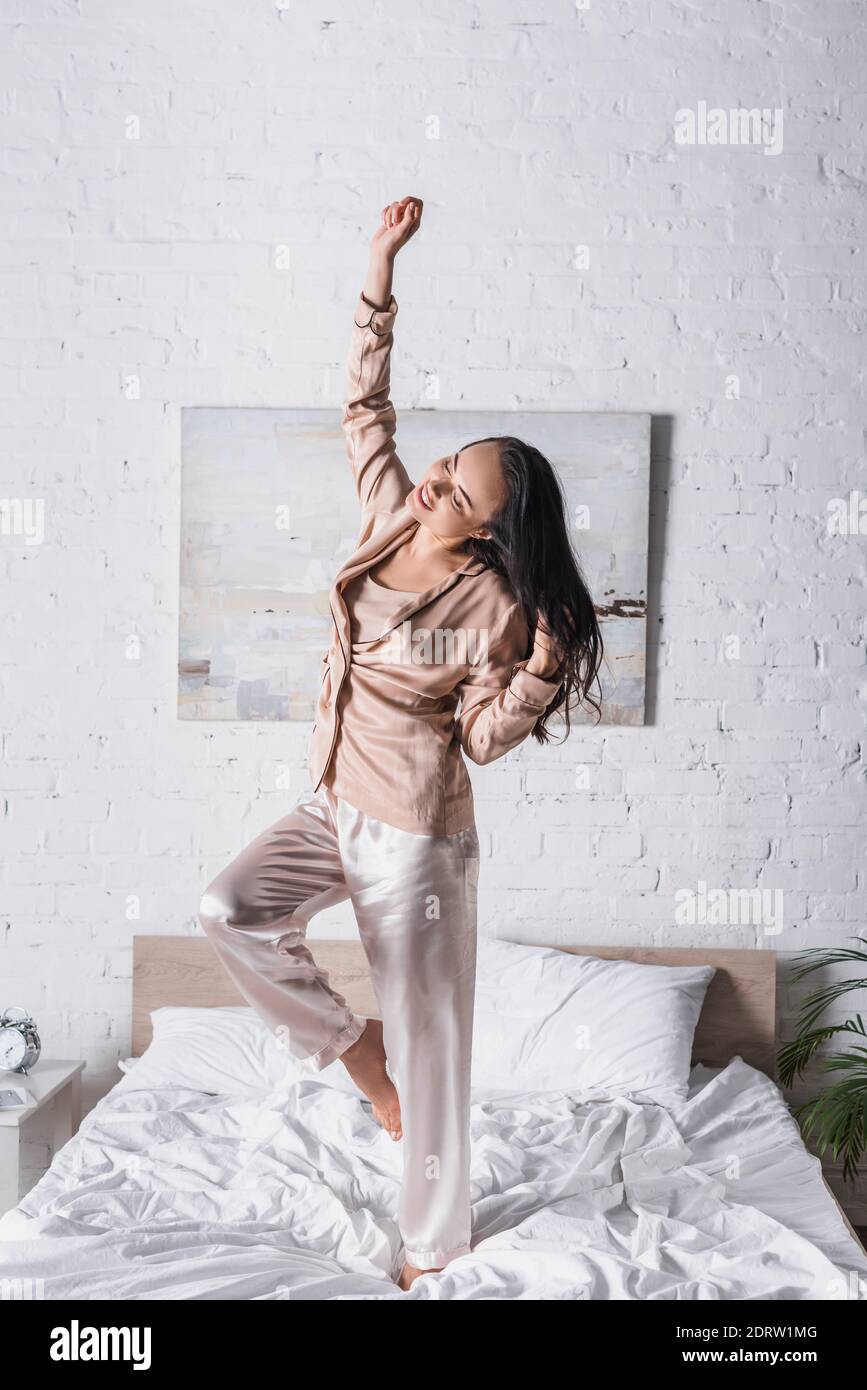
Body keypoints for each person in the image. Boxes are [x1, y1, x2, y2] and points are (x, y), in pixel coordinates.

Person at [198, 195, 603, 1291]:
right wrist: (379, 268)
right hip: (336, 800)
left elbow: (478, 733)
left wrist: (542, 669)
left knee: (436, 1048)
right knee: (228, 909)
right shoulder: (388, 511)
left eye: (461, 492)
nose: (435, 483)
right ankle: (354, 1053)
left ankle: (435, 1247)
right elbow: (366, 408)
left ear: (486, 526)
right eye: (448, 464)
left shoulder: (494, 606)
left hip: (418, 836)